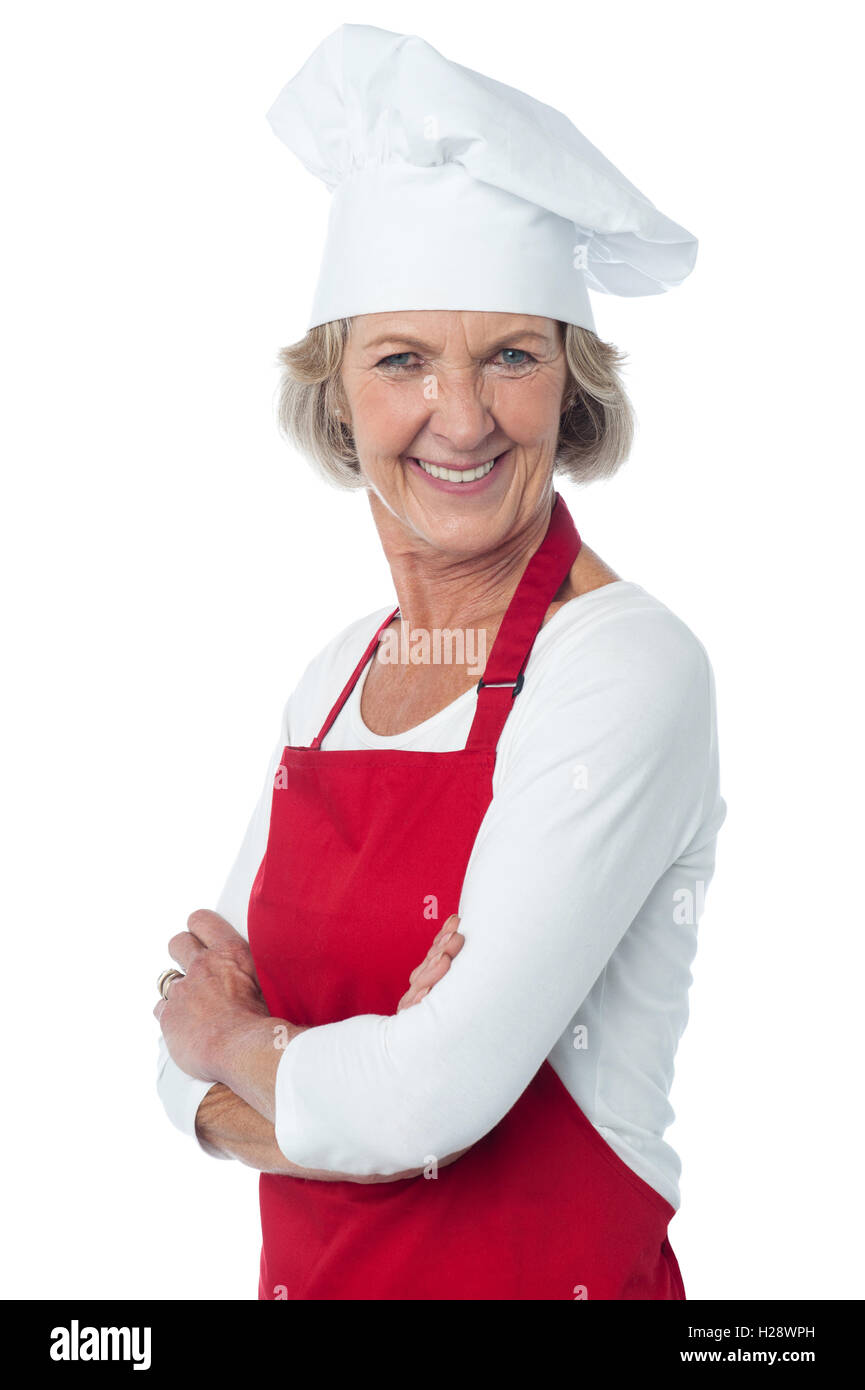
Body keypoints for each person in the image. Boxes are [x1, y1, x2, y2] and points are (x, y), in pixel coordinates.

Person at [154, 23, 726, 1301]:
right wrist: (320, 1084)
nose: (461, 420)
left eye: (512, 356)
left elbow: (426, 1100)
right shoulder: (337, 675)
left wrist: (242, 1048)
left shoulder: (624, 670)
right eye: (403, 358)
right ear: (339, 393)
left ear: (571, 389)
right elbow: (167, 1066)